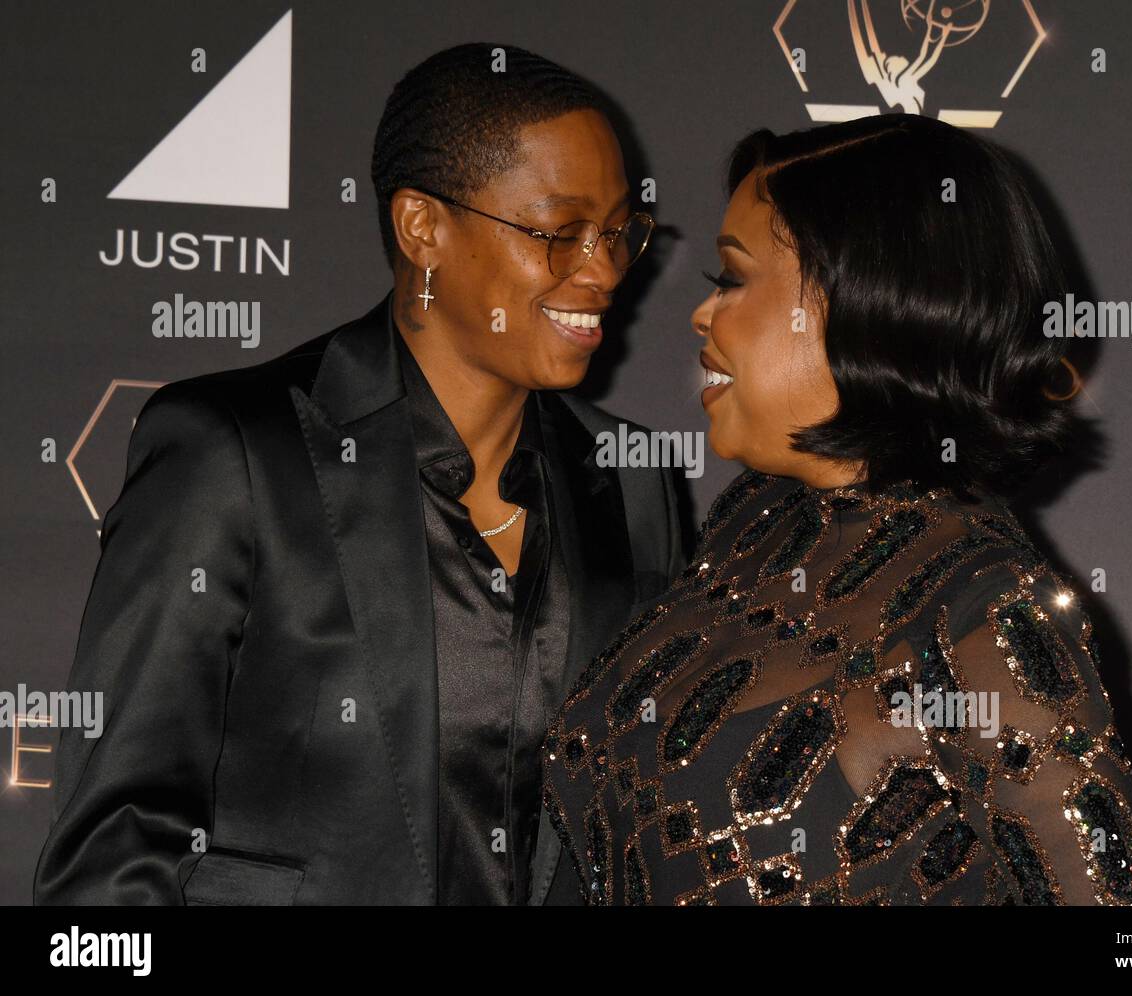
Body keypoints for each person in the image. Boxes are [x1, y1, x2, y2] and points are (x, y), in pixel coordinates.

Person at [33, 42, 686, 906]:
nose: (602, 271)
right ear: (424, 228)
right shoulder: (233, 451)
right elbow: (110, 854)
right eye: (561, 232)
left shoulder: (632, 479)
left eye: (616, 233)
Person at [540, 113, 1132, 905]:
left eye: (733, 279)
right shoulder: (760, 518)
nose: (702, 315)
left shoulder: (980, 609)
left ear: (869, 301)